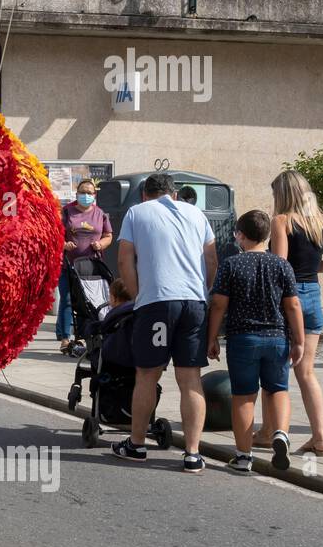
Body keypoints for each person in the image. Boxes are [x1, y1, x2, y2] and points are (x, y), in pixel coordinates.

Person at [110, 173, 216, 473]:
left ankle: (137, 444)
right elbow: (211, 260)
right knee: (190, 378)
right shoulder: (197, 214)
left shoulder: (137, 212)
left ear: (146, 195)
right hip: (194, 302)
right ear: (174, 195)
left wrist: (136, 295)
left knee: (147, 375)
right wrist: (201, 292)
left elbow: (124, 260)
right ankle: (193, 454)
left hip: (157, 301)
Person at [208, 210, 305, 474]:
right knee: (278, 390)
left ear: (241, 235)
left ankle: (242, 457)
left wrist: (212, 336)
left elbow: (218, 304)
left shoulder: (231, 265)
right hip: (277, 338)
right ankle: (281, 433)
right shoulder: (282, 265)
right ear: (266, 236)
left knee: (243, 397)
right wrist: (299, 340)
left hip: (243, 339)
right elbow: (293, 305)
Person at [260, 170, 323, 457]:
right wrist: (308, 270)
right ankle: (319, 437)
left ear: (283, 194)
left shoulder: (281, 221)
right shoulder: (322, 224)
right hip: (313, 296)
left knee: (274, 367)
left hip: (288, 298)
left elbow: (280, 264)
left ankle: (267, 430)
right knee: (306, 372)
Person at [56, 178, 112, 353]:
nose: (86, 195)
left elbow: (108, 235)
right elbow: (56, 233)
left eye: (89, 192)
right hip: (68, 265)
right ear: (77, 194)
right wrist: (64, 244)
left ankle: (87, 336)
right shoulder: (67, 212)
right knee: (66, 300)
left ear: (94, 195)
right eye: (82, 192)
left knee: (87, 302)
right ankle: (65, 338)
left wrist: (101, 244)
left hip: (91, 268)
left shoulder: (100, 214)